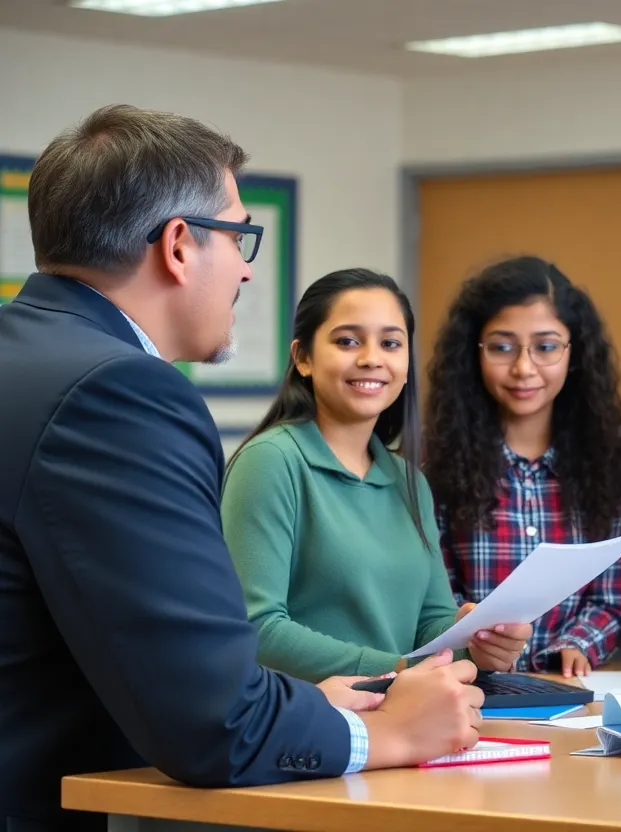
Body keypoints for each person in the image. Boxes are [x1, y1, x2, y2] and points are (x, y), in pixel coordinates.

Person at [0, 105, 482, 832]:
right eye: (240, 236)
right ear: (179, 247)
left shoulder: (27, 356)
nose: (248, 267)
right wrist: (389, 733)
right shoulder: (120, 394)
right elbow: (212, 718)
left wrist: (305, 702)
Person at [222, 268, 531, 680]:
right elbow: (258, 628)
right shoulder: (271, 462)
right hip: (311, 722)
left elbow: (431, 621)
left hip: (405, 713)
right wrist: (397, 671)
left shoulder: (408, 480)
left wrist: (477, 643)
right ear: (303, 358)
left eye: (390, 343)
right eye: (347, 341)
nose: (372, 358)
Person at [425, 256, 621, 678]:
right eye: (502, 347)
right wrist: (479, 645)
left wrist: (577, 643)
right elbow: (438, 599)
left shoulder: (613, 472)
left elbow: (612, 598)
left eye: (545, 347)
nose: (524, 368)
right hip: (471, 687)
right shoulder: (435, 471)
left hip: (573, 691)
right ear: (474, 353)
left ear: (574, 354)